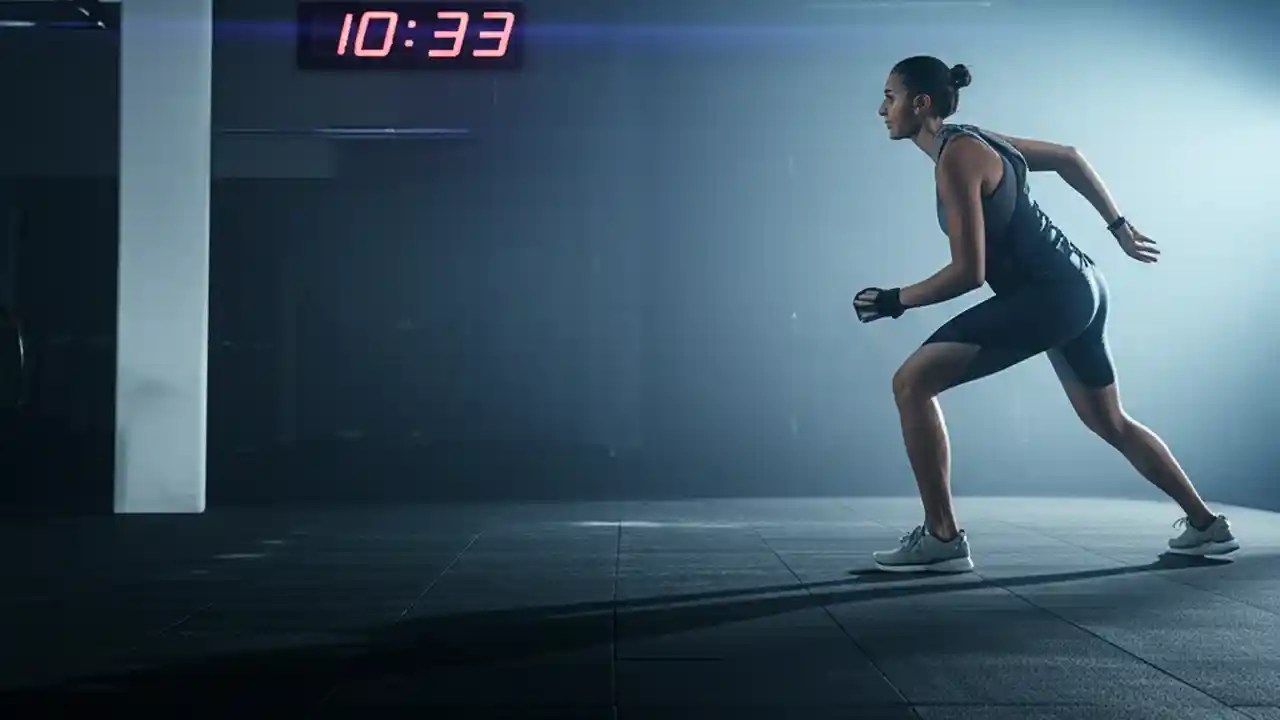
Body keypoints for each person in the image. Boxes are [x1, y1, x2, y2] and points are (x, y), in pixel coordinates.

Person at [853, 55, 1239, 573]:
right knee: (1110, 421)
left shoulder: (957, 158)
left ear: (920, 103)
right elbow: (1069, 156)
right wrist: (1118, 227)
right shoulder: (973, 139)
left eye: (890, 96)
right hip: (1083, 286)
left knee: (911, 383)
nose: (882, 108)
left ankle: (942, 539)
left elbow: (970, 272)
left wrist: (895, 299)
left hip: (1051, 297)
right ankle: (1206, 526)